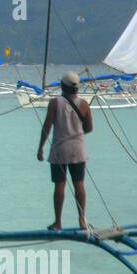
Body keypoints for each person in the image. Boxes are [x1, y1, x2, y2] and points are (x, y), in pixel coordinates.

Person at [37, 70, 93, 230]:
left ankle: (58, 222)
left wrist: (40, 147)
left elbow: (47, 126)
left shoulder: (55, 103)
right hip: (78, 149)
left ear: (62, 86)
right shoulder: (84, 104)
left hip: (59, 150)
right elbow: (89, 128)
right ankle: (82, 220)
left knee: (59, 185)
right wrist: (76, 132)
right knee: (79, 183)